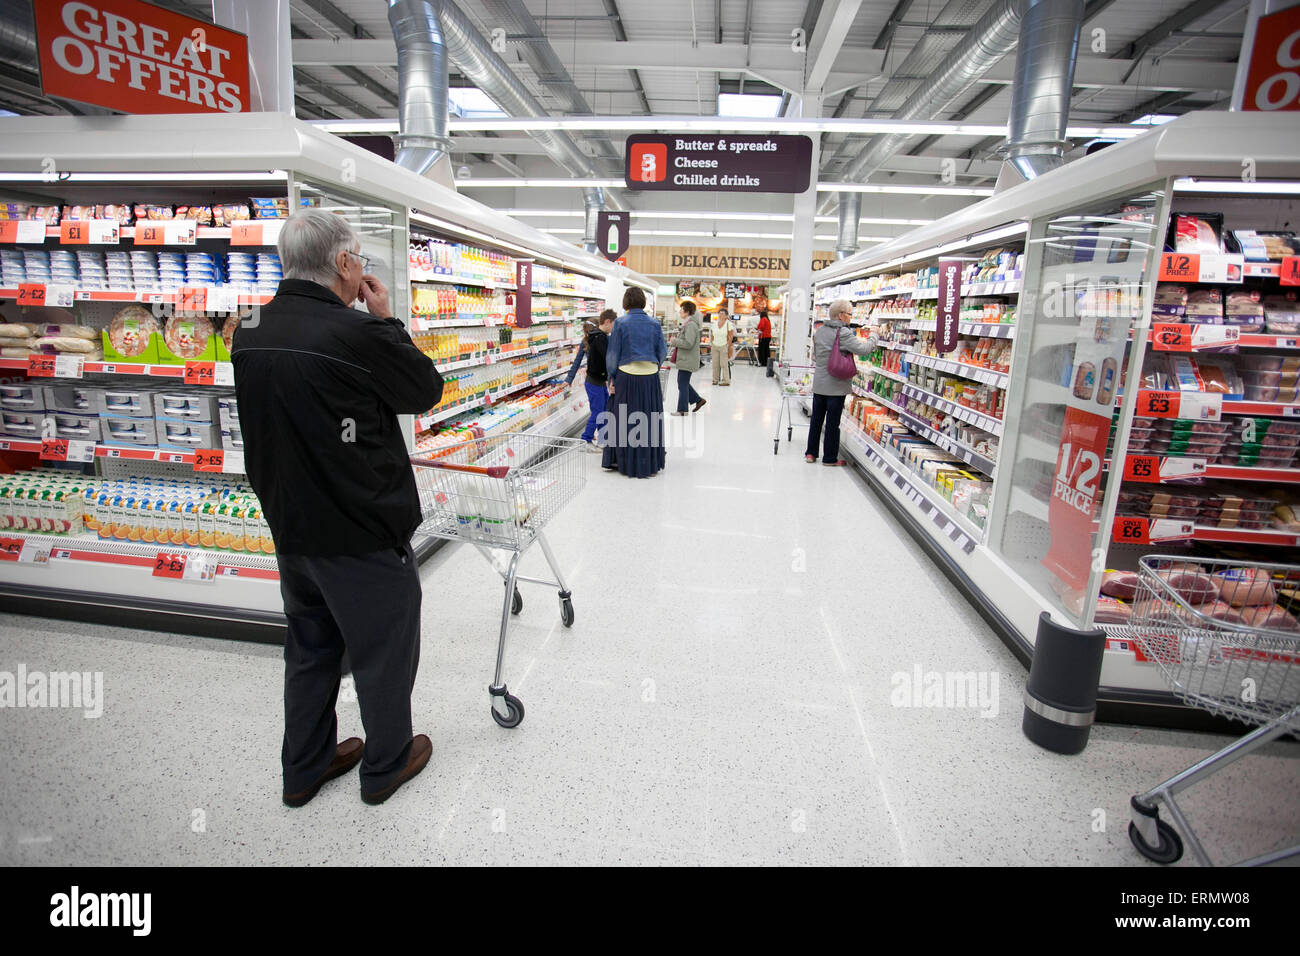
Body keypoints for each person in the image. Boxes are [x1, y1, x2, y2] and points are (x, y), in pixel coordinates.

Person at [232, 210, 444, 807]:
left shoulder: (249, 328)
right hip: (360, 528)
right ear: (346, 263)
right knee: (383, 650)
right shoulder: (356, 334)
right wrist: (386, 322)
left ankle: (304, 767)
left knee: (310, 647)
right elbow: (424, 390)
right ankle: (385, 764)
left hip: (291, 528)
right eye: (359, 260)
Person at [601, 286, 667, 478]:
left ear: (626, 303)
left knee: (625, 421)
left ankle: (626, 462)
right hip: (650, 378)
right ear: (643, 302)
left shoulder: (621, 323)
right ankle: (650, 462)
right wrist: (651, 366)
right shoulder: (654, 324)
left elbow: (613, 355)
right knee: (650, 420)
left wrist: (611, 378)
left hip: (626, 377)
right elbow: (662, 352)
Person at [806, 298, 878, 467]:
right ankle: (829, 458)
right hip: (836, 386)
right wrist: (874, 335)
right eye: (849, 313)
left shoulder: (820, 331)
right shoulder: (843, 333)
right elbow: (864, 350)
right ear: (840, 316)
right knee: (832, 423)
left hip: (820, 383)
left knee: (816, 420)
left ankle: (811, 453)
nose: (850, 317)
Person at [566, 308, 615, 449]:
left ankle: (603, 438)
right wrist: (569, 379)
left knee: (602, 411)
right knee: (598, 412)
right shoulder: (597, 339)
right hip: (594, 381)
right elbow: (578, 361)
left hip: (598, 380)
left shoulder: (602, 338)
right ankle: (586, 439)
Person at [670, 300, 706, 416]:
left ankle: (683, 410)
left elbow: (689, 343)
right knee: (682, 383)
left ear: (687, 311)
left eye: (681, 309)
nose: (680, 311)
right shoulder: (689, 323)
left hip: (687, 359)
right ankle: (698, 400)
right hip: (686, 359)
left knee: (682, 383)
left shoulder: (690, 325)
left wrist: (675, 341)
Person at [711, 308, 734, 386]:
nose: (720, 315)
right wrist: (712, 342)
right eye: (719, 313)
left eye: (722, 314)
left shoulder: (729, 324)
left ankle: (726, 380)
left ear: (726, 316)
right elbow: (712, 334)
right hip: (715, 346)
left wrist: (727, 344)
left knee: (724, 364)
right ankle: (715, 379)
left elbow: (731, 336)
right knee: (715, 364)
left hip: (724, 346)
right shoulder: (714, 324)